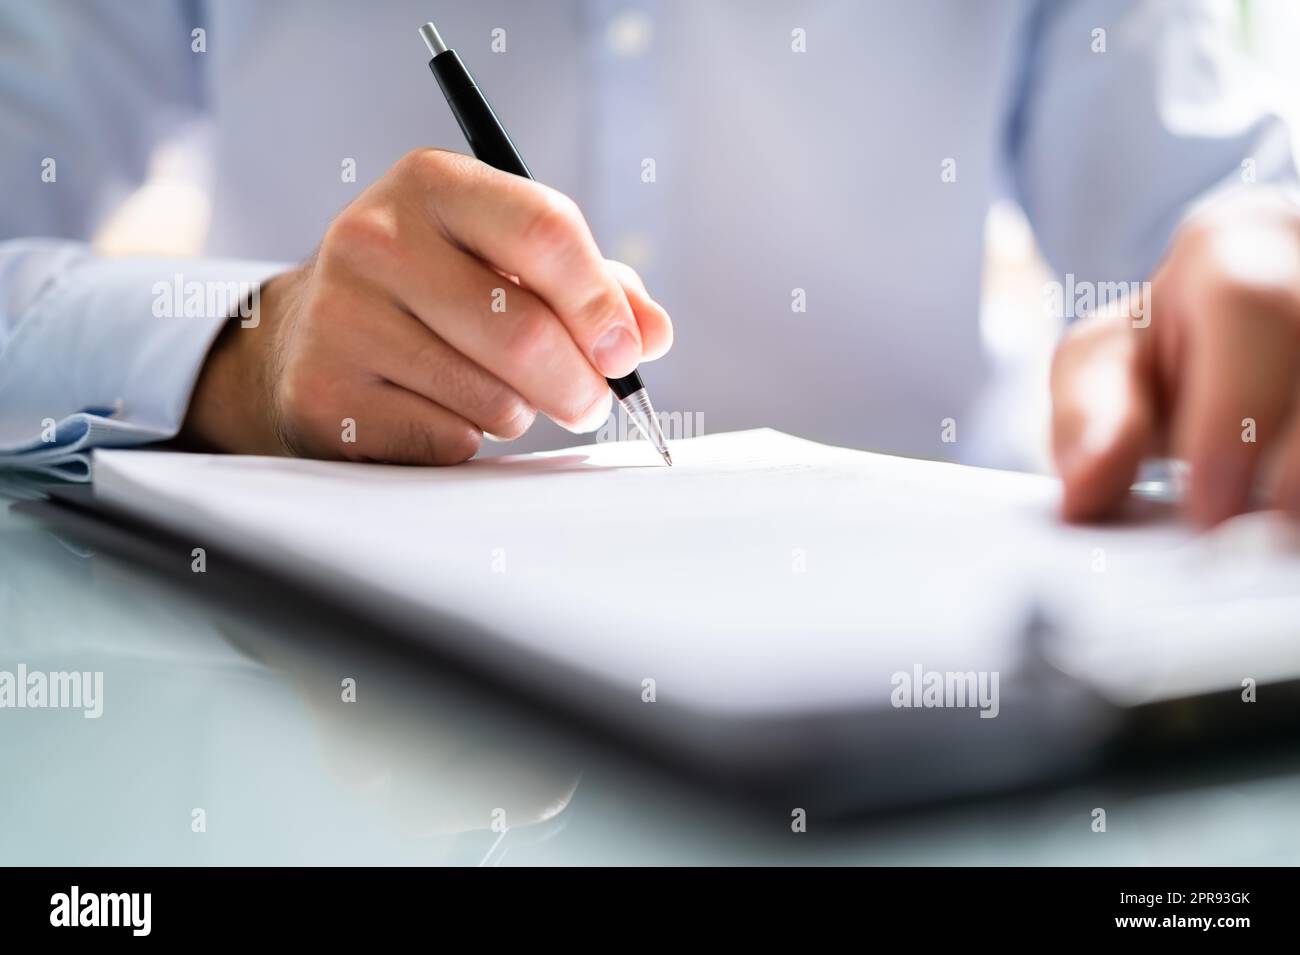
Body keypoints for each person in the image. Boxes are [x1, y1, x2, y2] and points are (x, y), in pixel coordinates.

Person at [1, 0, 1297, 527]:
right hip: (311, 700)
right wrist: (239, 342)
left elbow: (1231, 213)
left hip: (948, 700)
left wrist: (1255, 261)